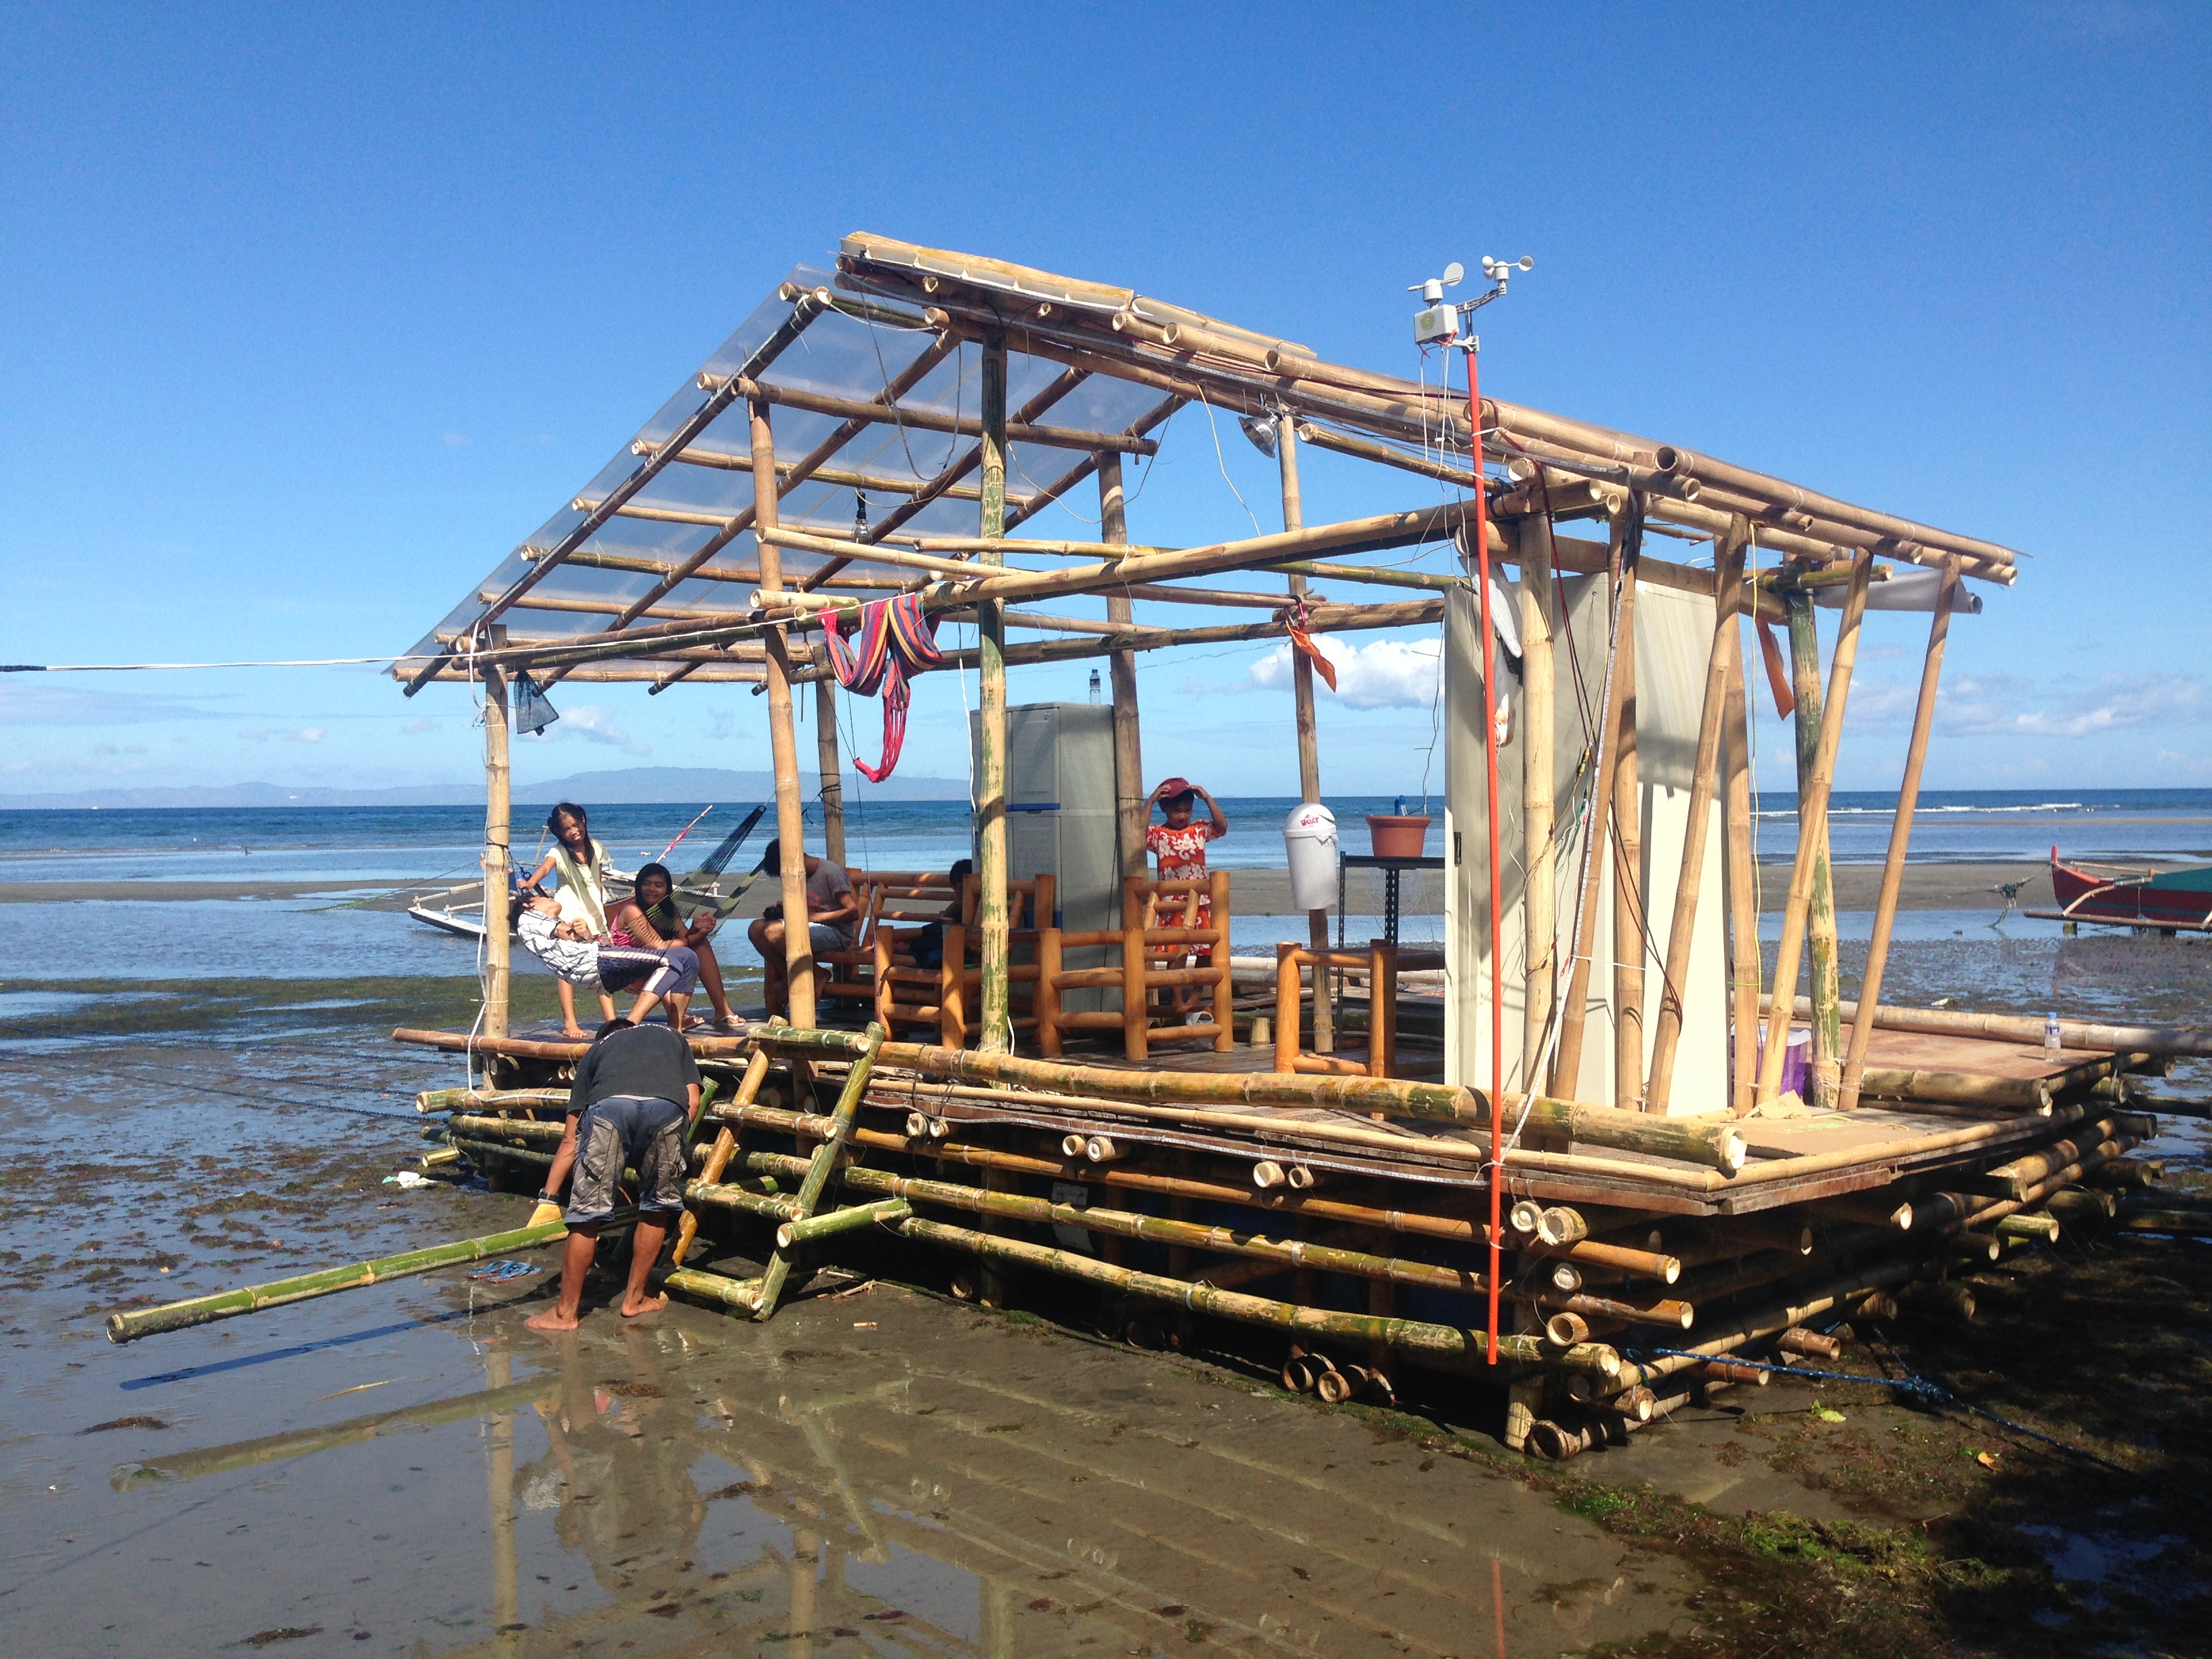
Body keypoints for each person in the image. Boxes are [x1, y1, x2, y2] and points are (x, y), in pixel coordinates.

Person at [525, 1017, 700, 1332]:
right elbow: (694, 1099)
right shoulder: (672, 1036)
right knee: (657, 1208)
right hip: (668, 1109)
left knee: (587, 1215)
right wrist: (670, 1142)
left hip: (609, 1109)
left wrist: (548, 1197)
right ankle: (634, 1300)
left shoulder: (597, 1051)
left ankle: (565, 1314)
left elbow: (571, 1139)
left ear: (605, 1039)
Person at [516, 893, 701, 1036]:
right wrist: (574, 932)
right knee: (671, 961)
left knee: (687, 957)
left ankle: (675, 1029)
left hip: (595, 972)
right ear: (529, 904)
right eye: (542, 897)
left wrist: (586, 934)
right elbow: (565, 934)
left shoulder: (548, 925)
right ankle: (628, 1026)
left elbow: (575, 939)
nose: (548, 897)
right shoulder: (526, 918)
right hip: (594, 962)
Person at [608, 861, 739, 1031]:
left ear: (667, 889)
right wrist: (693, 936)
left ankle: (722, 1010)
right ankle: (676, 1018)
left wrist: (697, 929)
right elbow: (656, 946)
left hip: (655, 961)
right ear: (639, 886)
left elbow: (686, 938)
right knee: (674, 957)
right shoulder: (632, 909)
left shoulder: (667, 910)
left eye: (658, 885)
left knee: (700, 945)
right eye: (646, 884)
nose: (651, 889)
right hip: (629, 970)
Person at [525, 803, 617, 1037]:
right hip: (569, 913)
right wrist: (531, 884)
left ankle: (612, 1021)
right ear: (559, 833)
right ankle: (570, 1023)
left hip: (594, 913)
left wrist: (604, 910)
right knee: (567, 968)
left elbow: (597, 880)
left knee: (601, 966)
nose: (573, 831)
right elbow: (545, 868)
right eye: (566, 829)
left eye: (576, 825)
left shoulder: (597, 847)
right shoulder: (559, 851)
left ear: (583, 820)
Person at [746, 838, 859, 1019]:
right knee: (755, 929)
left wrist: (815, 917)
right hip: (807, 926)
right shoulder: (795, 877)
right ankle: (795, 976)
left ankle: (814, 975)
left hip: (835, 932)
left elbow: (852, 911)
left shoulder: (830, 872)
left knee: (772, 932)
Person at [1145, 777, 1229, 1017]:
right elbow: (1137, 835)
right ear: (1165, 809)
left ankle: (1195, 996)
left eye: (1187, 811)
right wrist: (1150, 801)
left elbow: (1221, 826)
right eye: (1176, 811)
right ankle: (1178, 998)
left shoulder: (1199, 829)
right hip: (1173, 903)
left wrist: (1207, 798)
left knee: (1204, 950)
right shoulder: (1158, 834)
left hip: (1200, 901)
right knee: (1176, 951)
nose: (1182, 816)